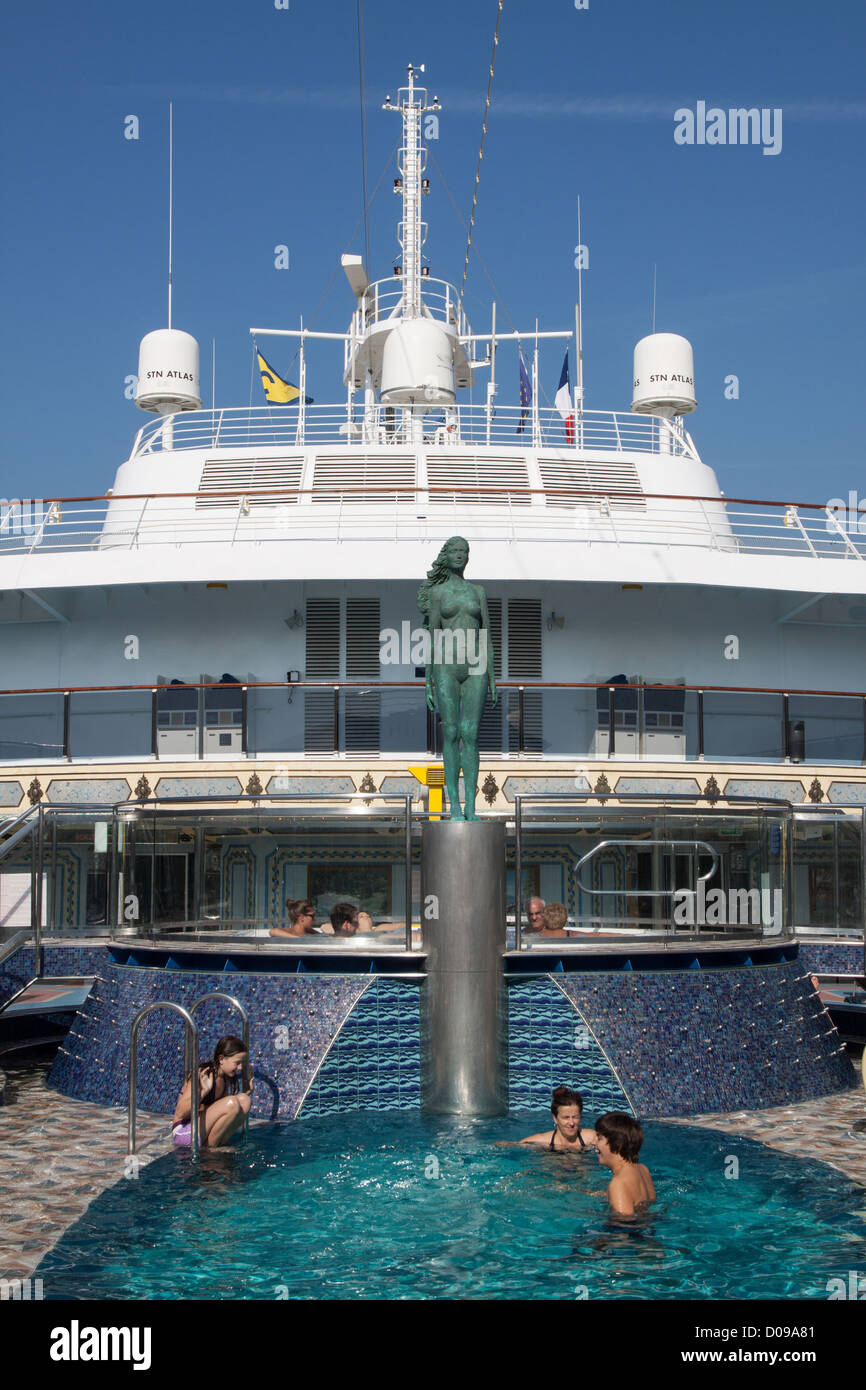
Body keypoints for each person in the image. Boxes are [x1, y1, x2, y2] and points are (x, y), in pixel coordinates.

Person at [417, 536, 497, 821]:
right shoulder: (438, 593)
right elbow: (432, 636)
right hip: (446, 666)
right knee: (450, 734)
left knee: (471, 735)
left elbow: (486, 634)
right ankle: (454, 806)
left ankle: (472, 807)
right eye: (455, 551)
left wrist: (493, 676)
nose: (460, 555)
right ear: (447, 556)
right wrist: (428, 680)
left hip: (476, 666)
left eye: (464, 551)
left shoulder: (479, 591)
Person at [171, 1034, 252, 1150]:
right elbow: (181, 1112)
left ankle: (215, 1148)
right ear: (221, 1059)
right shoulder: (204, 1074)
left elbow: (220, 1113)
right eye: (237, 1063)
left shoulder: (224, 1078)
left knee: (245, 1101)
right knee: (232, 1103)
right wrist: (203, 1092)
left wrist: (248, 1092)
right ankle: (211, 1152)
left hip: (199, 1129)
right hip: (184, 1132)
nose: (240, 1068)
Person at [595, 1111, 656, 1216]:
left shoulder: (618, 1183)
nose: (595, 1143)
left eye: (599, 1138)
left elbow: (623, 1225)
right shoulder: (642, 1169)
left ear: (617, 1144)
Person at [520, 1085, 597, 1152]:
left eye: (575, 1117)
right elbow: (514, 1146)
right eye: (566, 1118)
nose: (571, 1123)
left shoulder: (591, 1138)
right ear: (555, 1118)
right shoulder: (543, 1141)